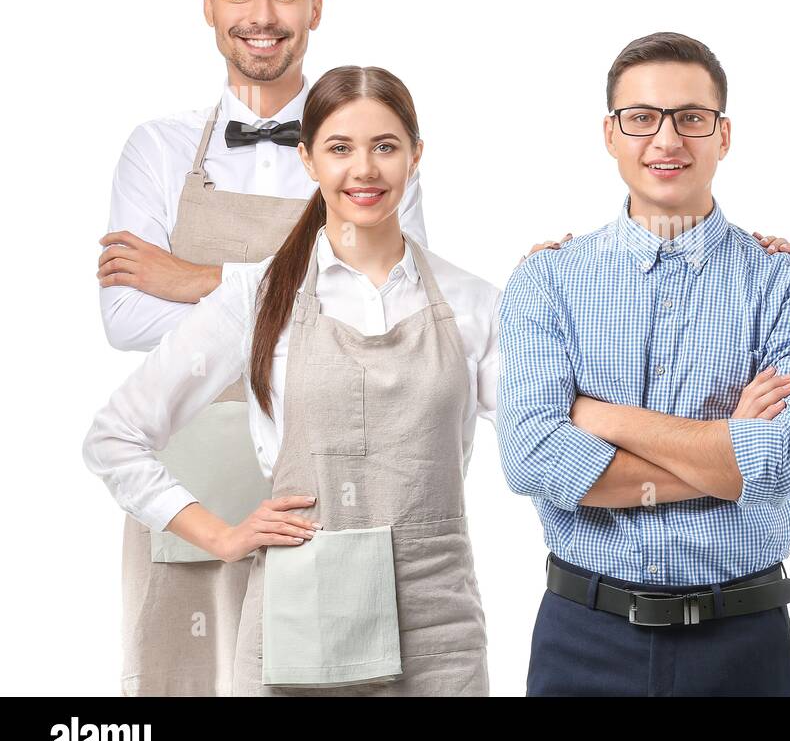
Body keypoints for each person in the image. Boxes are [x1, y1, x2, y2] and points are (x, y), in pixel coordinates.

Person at [94, 0, 427, 696]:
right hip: (193, 483)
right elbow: (124, 319)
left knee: (334, 682)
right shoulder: (158, 146)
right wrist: (304, 291)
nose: (262, 16)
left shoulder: (373, 143)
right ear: (208, 5)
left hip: (333, 479)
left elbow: (389, 316)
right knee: (182, 681)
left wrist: (197, 277)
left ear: (315, 7)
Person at [85, 66, 491, 696]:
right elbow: (115, 437)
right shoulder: (255, 296)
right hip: (303, 620)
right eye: (339, 148)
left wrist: (563, 296)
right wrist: (221, 535)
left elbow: (543, 435)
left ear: (416, 155)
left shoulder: (474, 304)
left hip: (439, 626)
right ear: (307, 160)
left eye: (385, 147)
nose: (364, 170)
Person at [496, 31, 790, 696]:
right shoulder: (549, 280)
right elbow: (531, 458)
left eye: (691, 118)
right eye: (642, 118)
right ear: (610, 133)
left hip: (742, 642)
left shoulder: (787, 284)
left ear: (723, 134)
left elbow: (777, 464)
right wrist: (725, 452)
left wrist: (601, 417)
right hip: (581, 638)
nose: (667, 139)